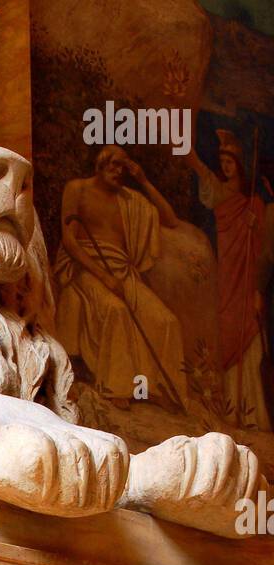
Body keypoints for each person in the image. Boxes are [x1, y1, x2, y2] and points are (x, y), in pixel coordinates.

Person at [55, 147, 188, 410]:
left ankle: (158, 389)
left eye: (124, 169)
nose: (119, 173)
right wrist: (104, 276)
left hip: (124, 272)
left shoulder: (129, 200)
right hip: (87, 269)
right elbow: (70, 241)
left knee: (166, 320)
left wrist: (144, 181)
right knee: (116, 310)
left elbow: (170, 219)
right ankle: (117, 387)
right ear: (100, 165)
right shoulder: (77, 189)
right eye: (114, 166)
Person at [186, 130, 270, 431]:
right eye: (222, 161)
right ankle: (230, 412)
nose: (225, 166)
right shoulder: (222, 193)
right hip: (227, 274)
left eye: (230, 162)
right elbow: (201, 172)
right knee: (227, 326)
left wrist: (254, 225)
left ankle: (250, 414)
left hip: (245, 277)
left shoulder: (253, 203)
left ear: (239, 164)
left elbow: (264, 247)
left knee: (248, 336)